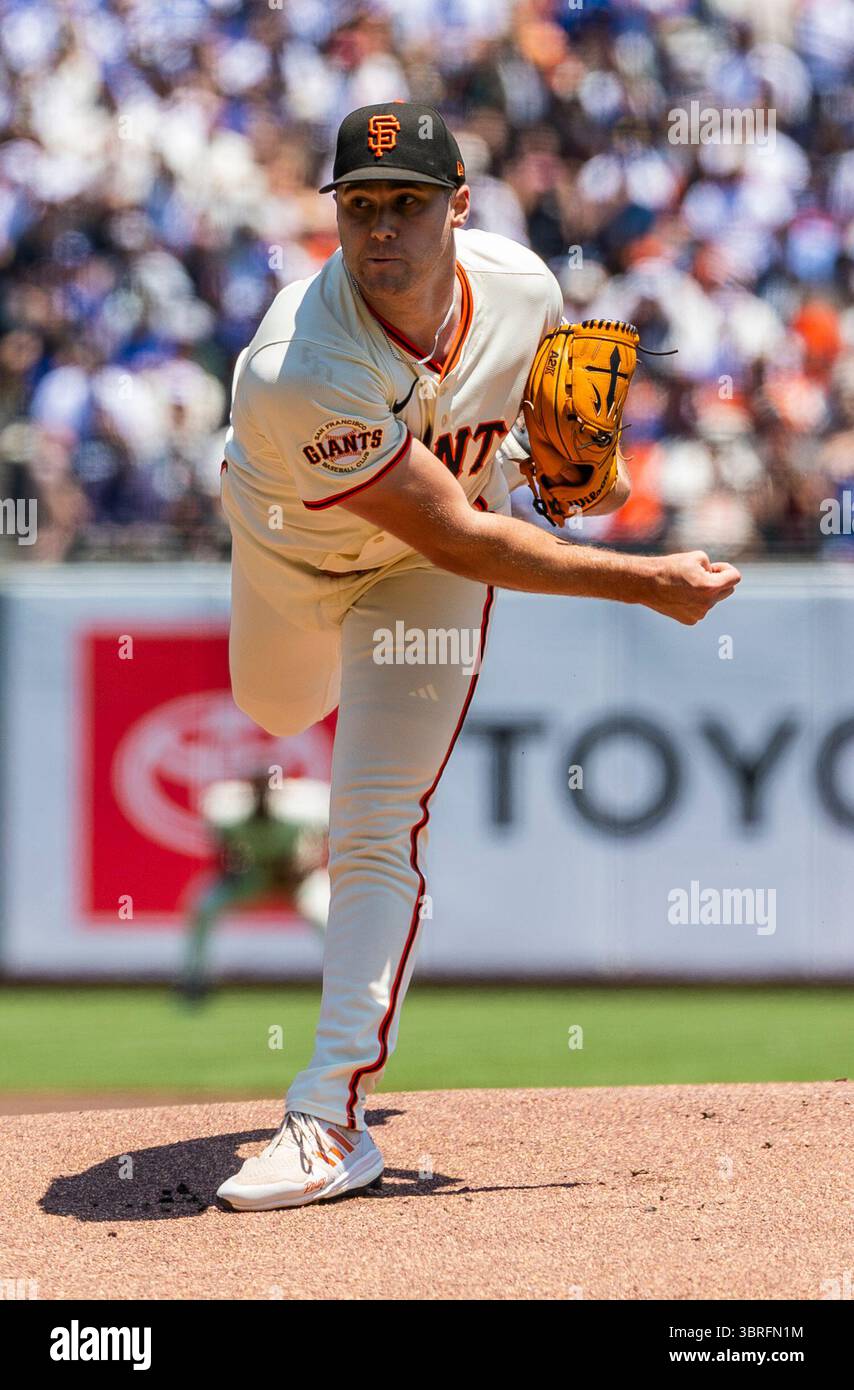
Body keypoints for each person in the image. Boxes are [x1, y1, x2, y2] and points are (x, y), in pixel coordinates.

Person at [215, 103, 741, 1211]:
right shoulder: (295, 365)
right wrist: (643, 578)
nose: (380, 227)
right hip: (290, 556)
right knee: (271, 708)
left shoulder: (522, 292)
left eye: (405, 201)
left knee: (373, 822)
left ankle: (329, 1114)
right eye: (358, 205)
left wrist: (556, 485)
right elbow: (456, 526)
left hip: (416, 576)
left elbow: (496, 486)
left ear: (458, 205)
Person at [177, 774, 330, 1004]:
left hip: (298, 879)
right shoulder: (228, 810)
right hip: (254, 875)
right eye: (257, 793)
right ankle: (195, 979)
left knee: (325, 915)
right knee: (203, 904)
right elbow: (221, 850)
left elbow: (327, 837)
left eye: (266, 793)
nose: (262, 799)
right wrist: (233, 871)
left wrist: (302, 866)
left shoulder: (301, 807)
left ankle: (348, 978)